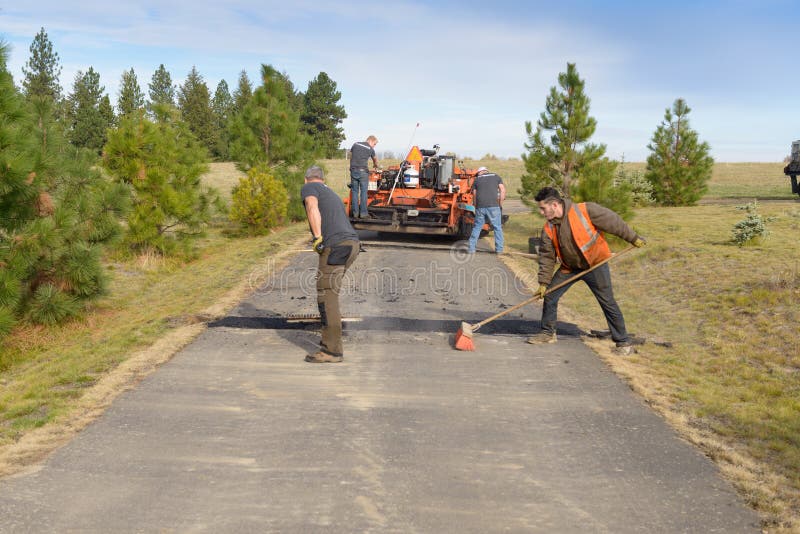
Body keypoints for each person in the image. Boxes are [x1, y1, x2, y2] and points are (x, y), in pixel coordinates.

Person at [528, 186, 646, 355]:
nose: (541, 212)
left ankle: (623, 343)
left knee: (607, 302)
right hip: (570, 268)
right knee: (550, 295)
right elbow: (547, 258)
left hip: (595, 265)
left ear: (554, 205)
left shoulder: (585, 210)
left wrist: (633, 238)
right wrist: (543, 283)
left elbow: (614, 222)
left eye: (542, 208)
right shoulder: (549, 228)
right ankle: (547, 333)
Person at [301, 165, 361, 363]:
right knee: (331, 293)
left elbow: (311, 206)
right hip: (352, 245)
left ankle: (332, 351)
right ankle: (331, 340)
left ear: (306, 178)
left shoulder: (310, 188)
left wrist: (317, 237)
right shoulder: (330, 192)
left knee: (327, 296)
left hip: (335, 246)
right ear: (322, 178)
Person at [467, 166, 506, 254]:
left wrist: (476, 206)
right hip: (494, 206)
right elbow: (502, 190)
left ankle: (471, 249)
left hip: (480, 207)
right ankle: (499, 250)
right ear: (486, 171)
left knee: (477, 227)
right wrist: (500, 203)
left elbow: (474, 194)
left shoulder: (477, 179)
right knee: (497, 227)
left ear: (480, 172)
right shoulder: (496, 176)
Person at [349, 135, 380, 219]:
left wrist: (352, 167)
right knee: (363, 193)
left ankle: (355, 213)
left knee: (355, 192)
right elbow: (375, 159)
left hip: (353, 170)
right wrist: (376, 166)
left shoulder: (355, 144)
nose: (374, 146)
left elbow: (351, 156)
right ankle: (363, 214)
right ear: (371, 141)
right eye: (374, 144)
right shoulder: (370, 149)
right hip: (363, 172)